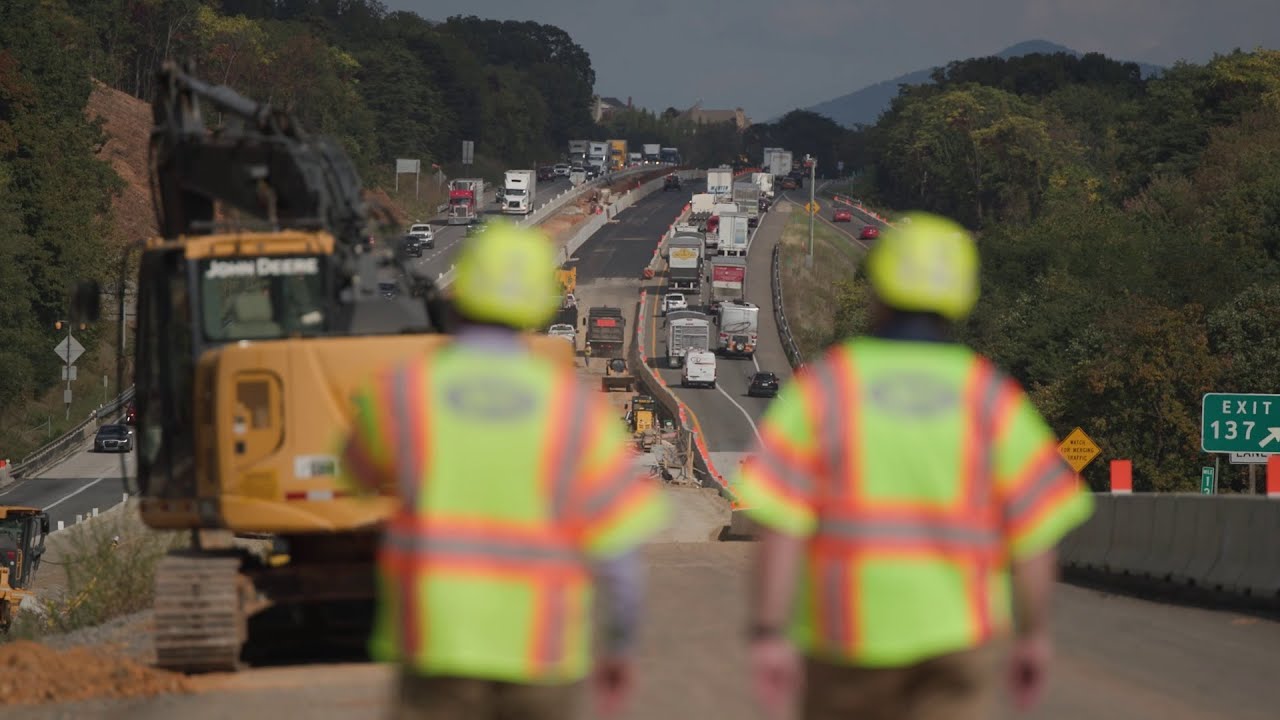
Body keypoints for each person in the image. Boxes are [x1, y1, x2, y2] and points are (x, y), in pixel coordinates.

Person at [735, 212, 1094, 720]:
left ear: (877, 290)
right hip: (959, 641)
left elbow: (782, 529)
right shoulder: (988, 397)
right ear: (962, 297)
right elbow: (1033, 536)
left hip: (846, 642)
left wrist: (769, 631)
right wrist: (1034, 635)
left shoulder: (828, 389)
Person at [341, 219, 669, 720]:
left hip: (436, 650)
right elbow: (621, 559)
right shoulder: (575, 413)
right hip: (542, 657)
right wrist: (619, 645)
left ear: (460, 288)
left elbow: (357, 471)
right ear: (540, 302)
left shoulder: (406, 392)